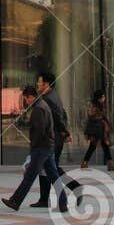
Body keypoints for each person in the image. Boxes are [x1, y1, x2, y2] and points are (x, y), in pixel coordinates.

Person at [1, 85, 68, 212]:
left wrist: (33, 147)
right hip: (48, 146)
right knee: (53, 176)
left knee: (30, 175)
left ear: (31, 96)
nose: (26, 102)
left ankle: (15, 201)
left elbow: (39, 131)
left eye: (26, 99)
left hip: (41, 147)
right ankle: (63, 202)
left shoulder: (38, 108)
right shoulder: (43, 105)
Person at [33, 71, 81, 207]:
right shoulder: (54, 96)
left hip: (53, 139)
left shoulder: (48, 99)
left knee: (51, 168)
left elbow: (58, 118)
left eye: (39, 81)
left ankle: (76, 188)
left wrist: (65, 132)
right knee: (46, 167)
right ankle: (43, 199)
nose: (37, 84)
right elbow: (63, 114)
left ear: (46, 84)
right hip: (55, 138)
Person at [80, 89, 114, 170]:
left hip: (100, 130)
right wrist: (101, 119)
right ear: (99, 98)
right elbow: (91, 116)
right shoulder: (94, 106)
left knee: (103, 146)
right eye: (103, 96)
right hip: (96, 130)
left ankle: (110, 165)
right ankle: (85, 162)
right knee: (93, 146)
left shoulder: (99, 106)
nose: (104, 98)